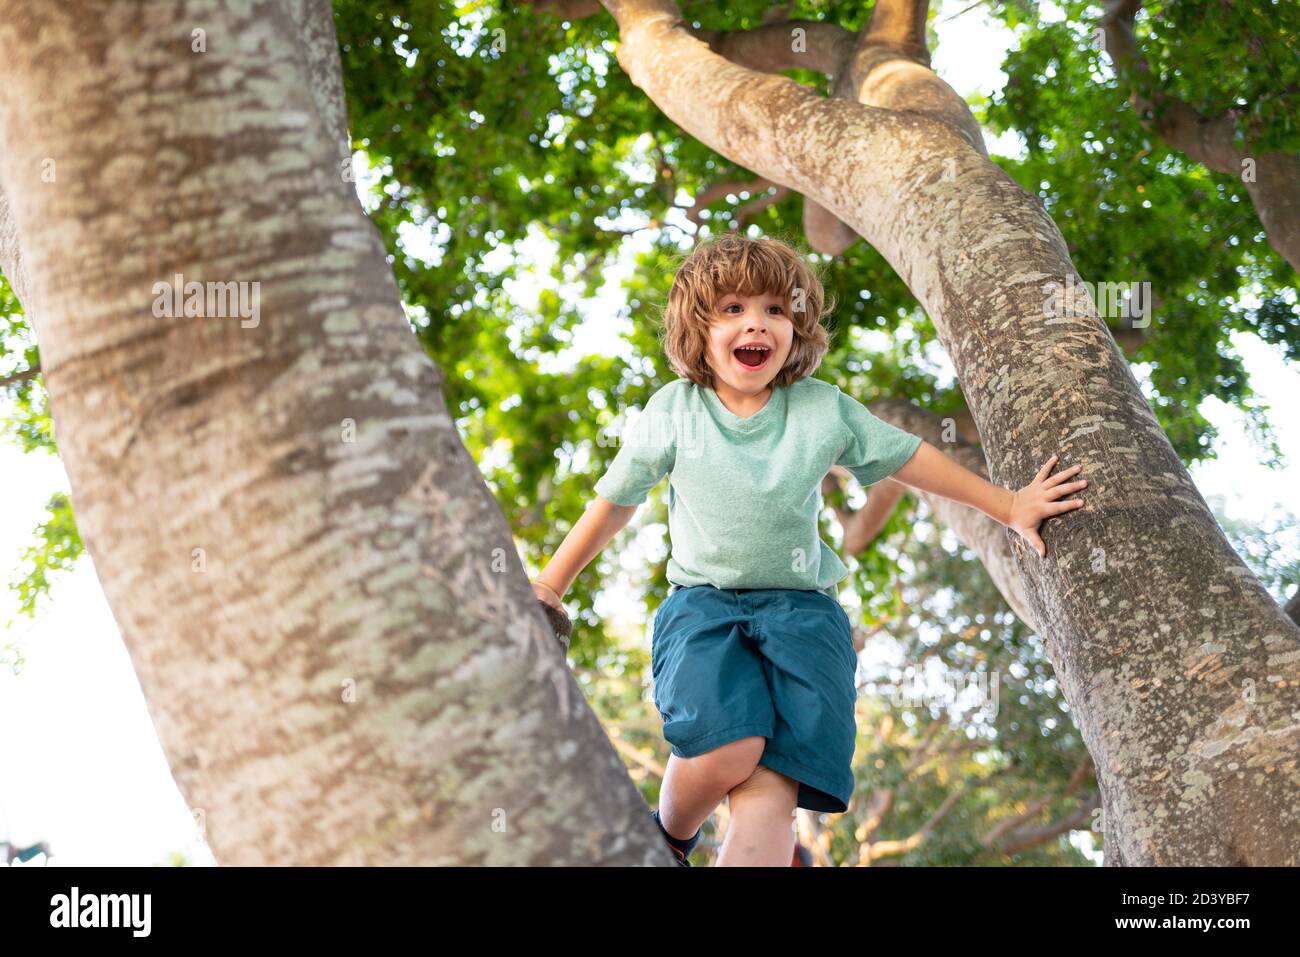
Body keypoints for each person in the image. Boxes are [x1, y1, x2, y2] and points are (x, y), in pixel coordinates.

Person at [530, 233, 1086, 866]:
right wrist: (551, 585)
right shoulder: (675, 411)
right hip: (703, 607)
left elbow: (909, 457)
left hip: (804, 615)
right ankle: (666, 836)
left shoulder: (821, 409)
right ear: (698, 329)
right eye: (734, 309)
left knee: (771, 789)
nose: (757, 324)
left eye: (775, 309)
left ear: (796, 329)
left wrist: (1009, 505)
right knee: (726, 749)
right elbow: (615, 499)